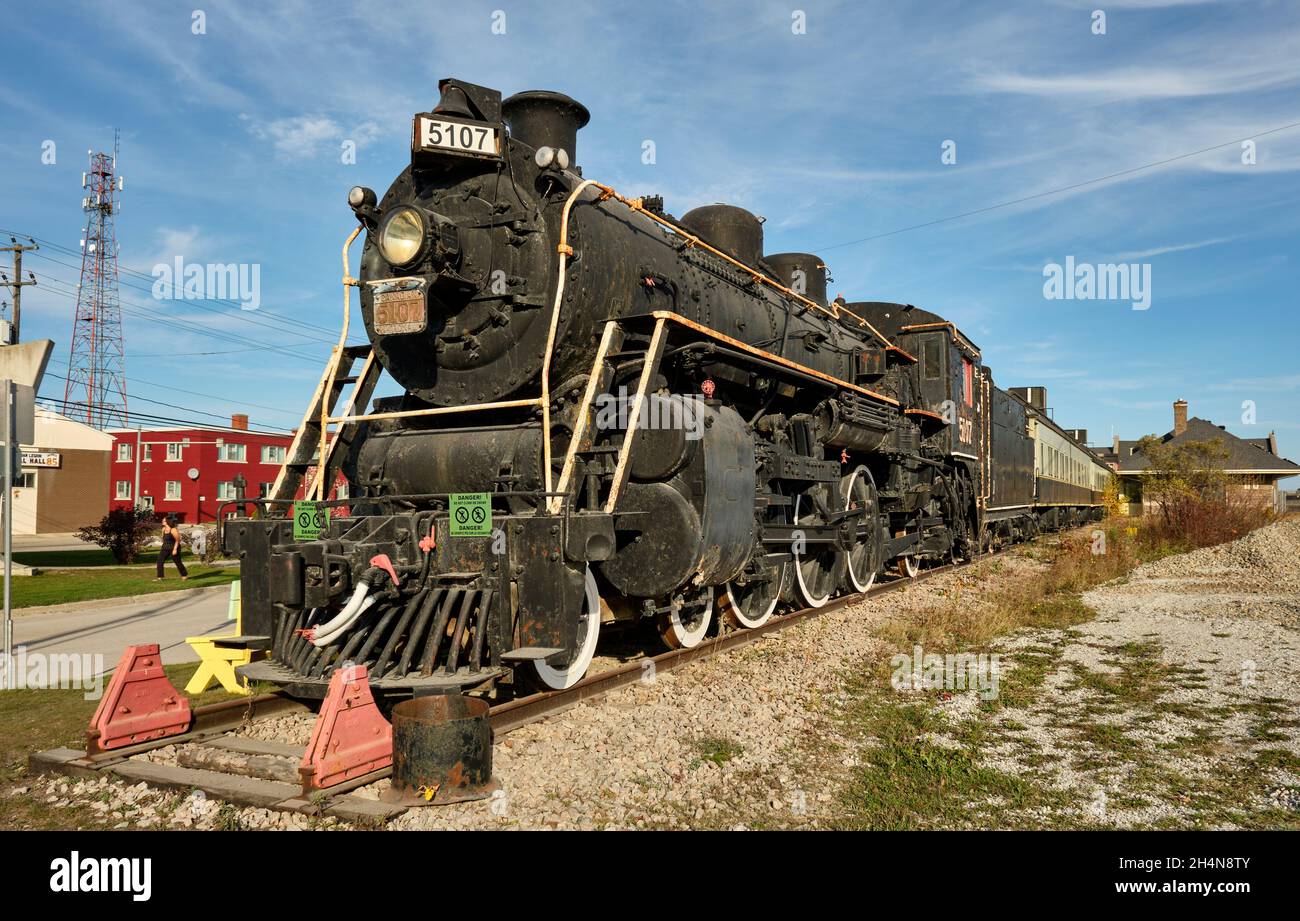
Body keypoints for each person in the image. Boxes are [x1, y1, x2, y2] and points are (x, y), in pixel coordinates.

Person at [156, 515, 189, 580]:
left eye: (164, 521)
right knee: (159, 561)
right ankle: (160, 577)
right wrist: (163, 546)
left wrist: (175, 549)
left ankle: (184, 575)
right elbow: (163, 539)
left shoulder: (173, 530)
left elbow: (178, 540)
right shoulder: (163, 529)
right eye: (162, 520)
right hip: (165, 548)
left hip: (174, 547)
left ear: (168, 522)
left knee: (177, 562)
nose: (162, 521)